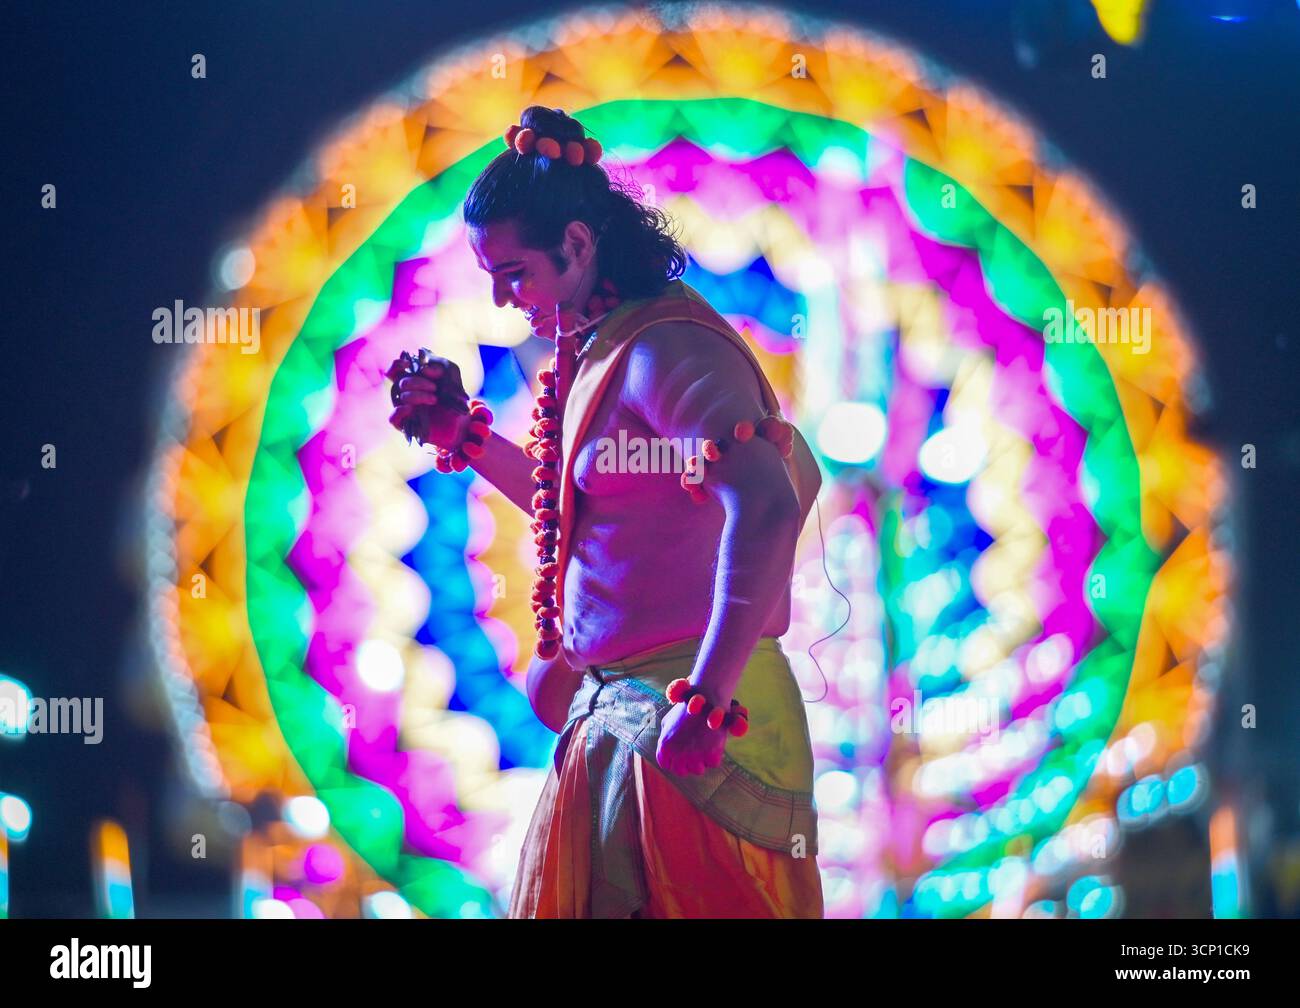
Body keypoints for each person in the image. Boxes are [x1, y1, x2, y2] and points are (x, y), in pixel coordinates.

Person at [388, 106, 824, 918]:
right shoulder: (604, 347)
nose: (501, 297)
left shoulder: (666, 349)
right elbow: (589, 515)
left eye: (514, 272)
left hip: (692, 735)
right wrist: (464, 436)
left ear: (580, 246)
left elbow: (764, 503)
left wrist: (708, 695)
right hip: (629, 722)